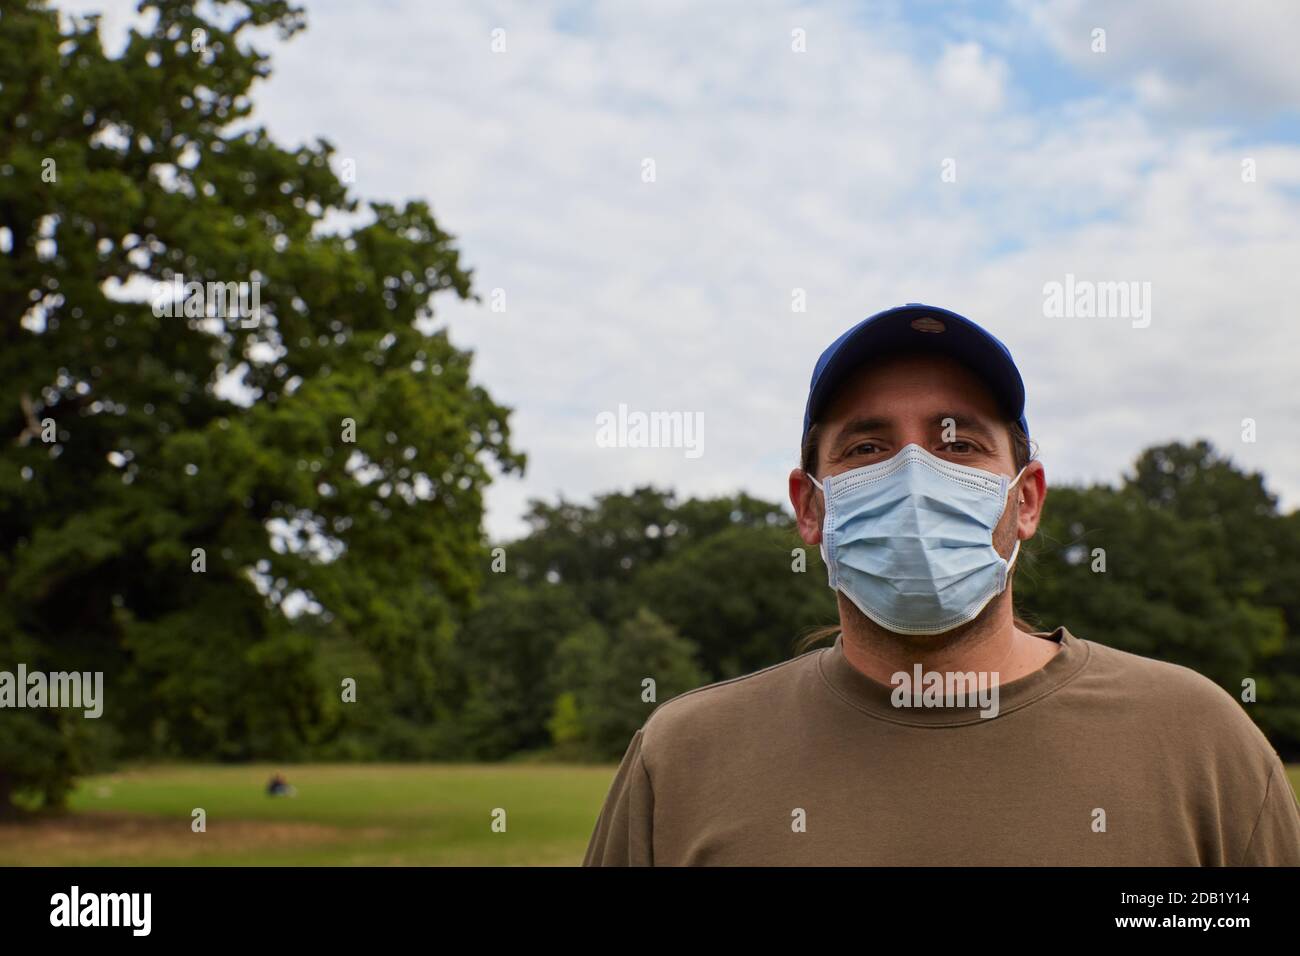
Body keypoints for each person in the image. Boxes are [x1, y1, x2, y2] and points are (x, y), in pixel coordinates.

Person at [583, 302, 1300, 866]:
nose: (914, 477)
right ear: (810, 507)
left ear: (1025, 500)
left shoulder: (1200, 744)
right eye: (868, 447)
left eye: (958, 443)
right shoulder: (681, 760)